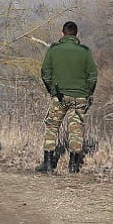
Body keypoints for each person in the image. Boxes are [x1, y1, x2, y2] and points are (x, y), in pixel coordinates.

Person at [36, 21, 98, 174]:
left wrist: (52, 90)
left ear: (62, 33)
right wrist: (87, 93)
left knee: (52, 127)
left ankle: (48, 164)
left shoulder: (54, 50)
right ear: (77, 34)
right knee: (76, 129)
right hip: (80, 97)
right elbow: (92, 76)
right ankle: (73, 165)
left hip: (60, 95)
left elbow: (45, 72)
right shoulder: (85, 51)